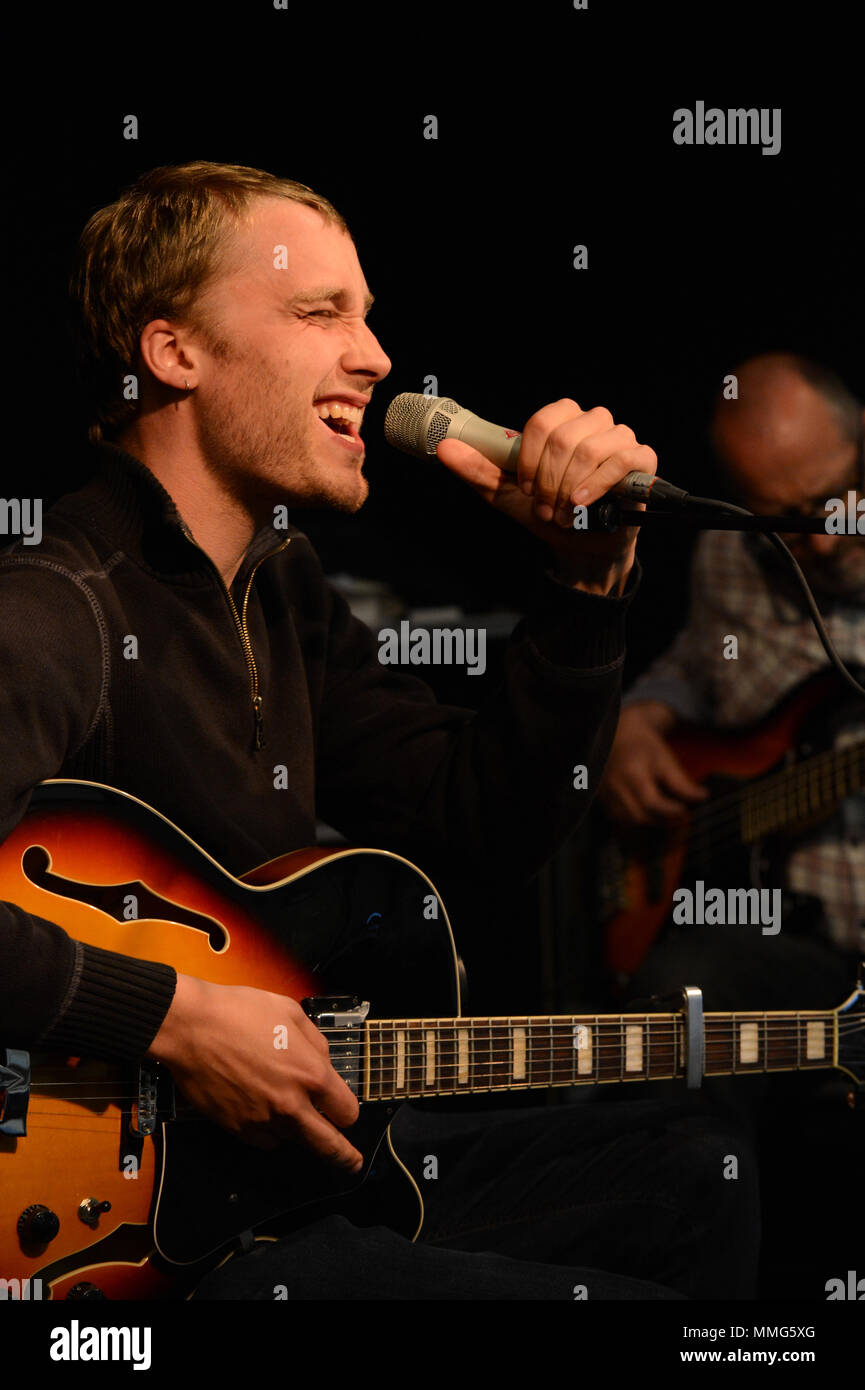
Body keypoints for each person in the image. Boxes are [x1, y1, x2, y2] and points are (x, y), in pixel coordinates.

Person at [0, 162, 757, 1300]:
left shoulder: (283, 587)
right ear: (173, 353)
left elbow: (484, 821)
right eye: (321, 313)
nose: (375, 356)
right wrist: (172, 1016)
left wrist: (586, 581)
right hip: (130, 1256)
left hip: (271, 1186)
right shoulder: (57, 603)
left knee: (689, 1168)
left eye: (366, 315)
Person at [600, 352, 865, 1008]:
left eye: (830, 503)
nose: (824, 542)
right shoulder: (727, 554)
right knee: (674, 1000)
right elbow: (695, 667)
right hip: (792, 938)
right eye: (787, 522)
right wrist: (635, 721)